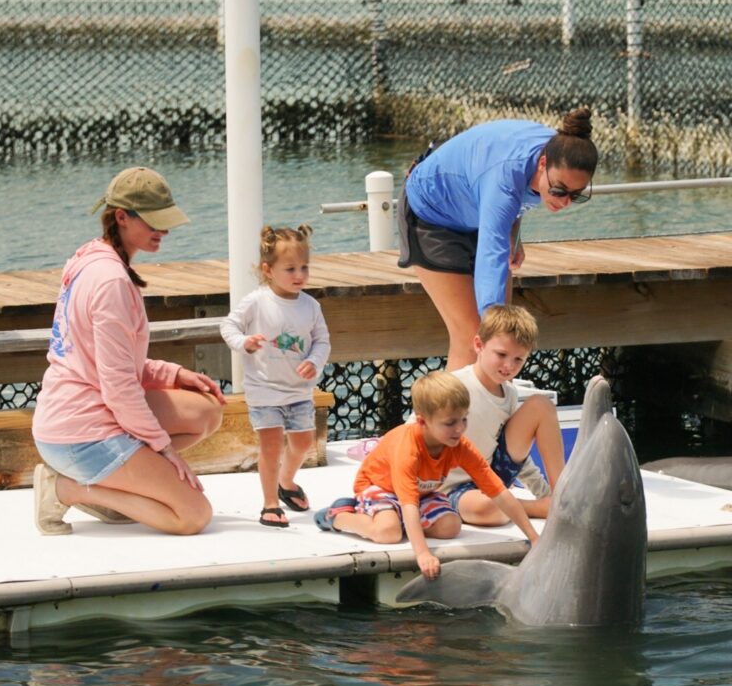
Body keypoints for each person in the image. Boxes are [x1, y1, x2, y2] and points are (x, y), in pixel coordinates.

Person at [32, 167, 226, 536]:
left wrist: (173, 375)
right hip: (80, 434)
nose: (164, 230)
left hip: (80, 412)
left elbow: (101, 357)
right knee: (193, 516)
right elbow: (118, 385)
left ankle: (118, 486)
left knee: (207, 412)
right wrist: (164, 450)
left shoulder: (90, 258)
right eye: (154, 221)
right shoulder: (111, 282)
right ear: (121, 217)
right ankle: (68, 488)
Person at [398, 107, 598, 370]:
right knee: (474, 336)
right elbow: (491, 254)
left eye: (577, 194)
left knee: (501, 341)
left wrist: (513, 234)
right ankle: (448, 412)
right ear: (542, 163)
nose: (565, 202)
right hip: (431, 213)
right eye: (559, 190)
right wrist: (495, 330)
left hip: (476, 207)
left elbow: (514, 199)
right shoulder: (504, 179)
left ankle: (493, 406)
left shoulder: (564, 147)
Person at [314, 371, 539, 581]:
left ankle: (399, 522)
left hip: (423, 491)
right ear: (422, 422)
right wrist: (422, 553)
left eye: (464, 419)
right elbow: (408, 502)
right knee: (388, 533)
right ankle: (338, 516)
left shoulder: (458, 444)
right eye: (450, 422)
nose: (460, 429)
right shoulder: (408, 449)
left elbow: (497, 490)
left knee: (450, 527)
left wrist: (534, 537)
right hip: (380, 487)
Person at [220, 224, 331, 528]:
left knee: (302, 442)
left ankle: (286, 481)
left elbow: (322, 340)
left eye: (305, 267)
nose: (300, 275)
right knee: (270, 445)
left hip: (299, 390)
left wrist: (314, 361)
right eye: (291, 268)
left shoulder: (311, 306)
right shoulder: (257, 301)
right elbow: (228, 326)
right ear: (268, 270)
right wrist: (244, 343)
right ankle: (270, 503)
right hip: (264, 389)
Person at [444, 304, 565, 525]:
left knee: (541, 405)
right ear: (479, 344)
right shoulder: (454, 386)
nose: (508, 366)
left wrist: (542, 491)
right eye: (501, 354)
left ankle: (562, 497)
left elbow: (516, 455)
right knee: (489, 510)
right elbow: (415, 433)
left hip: (490, 477)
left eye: (519, 359)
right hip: (453, 491)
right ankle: (532, 508)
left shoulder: (509, 393)